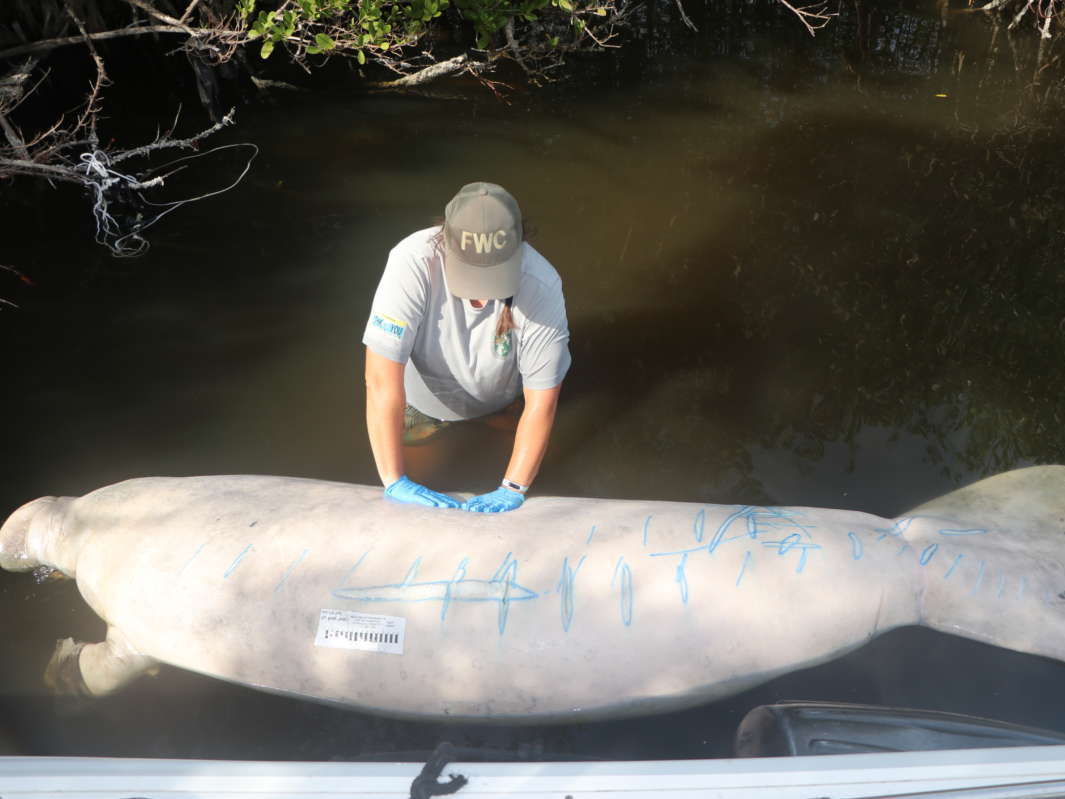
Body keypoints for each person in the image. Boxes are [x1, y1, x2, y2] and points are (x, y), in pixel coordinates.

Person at [363, 182, 571, 513]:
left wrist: (513, 488)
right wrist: (394, 479)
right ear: (443, 239)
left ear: (521, 245)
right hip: (422, 407)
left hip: (503, 404)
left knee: (538, 479)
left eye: (494, 273)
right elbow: (380, 381)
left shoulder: (541, 284)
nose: (483, 292)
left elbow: (542, 400)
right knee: (412, 503)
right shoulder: (412, 261)